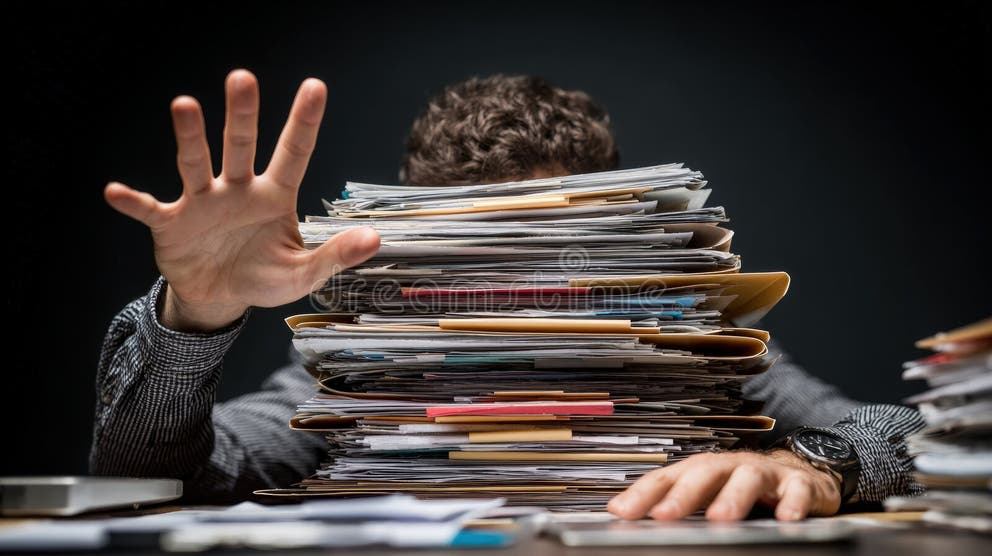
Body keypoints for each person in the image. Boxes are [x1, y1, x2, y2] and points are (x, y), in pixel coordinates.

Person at [93, 70, 924, 521]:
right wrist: (196, 313)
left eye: (561, 259)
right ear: (412, 270)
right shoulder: (355, 382)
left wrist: (813, 466)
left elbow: (915, 436)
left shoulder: (693, 363)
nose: (523, 301)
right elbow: (150, 477)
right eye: (478, 263)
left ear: (625, 249)